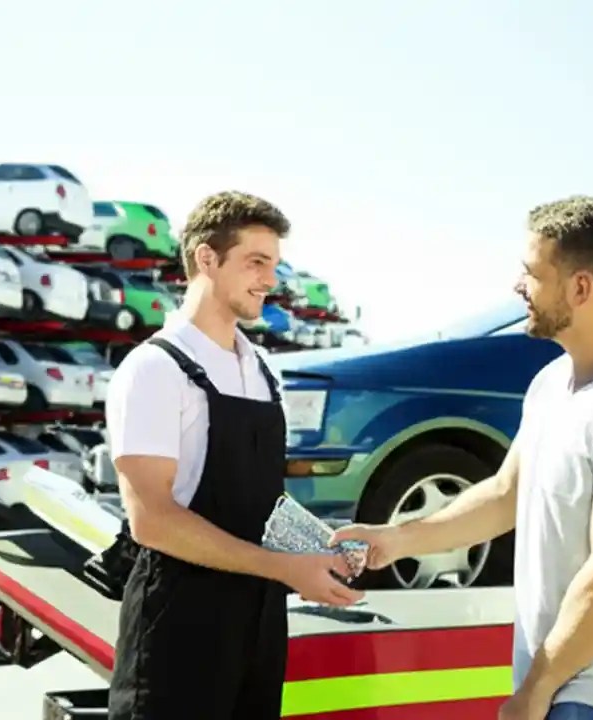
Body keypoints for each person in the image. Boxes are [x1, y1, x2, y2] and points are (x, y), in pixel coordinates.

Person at [332, 196, 593, 720]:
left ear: (580, 288)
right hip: (560, 686)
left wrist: (536, 689)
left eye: (531, 273)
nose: (518, 286)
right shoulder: (553, 382)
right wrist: (396, 540)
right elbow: (505, 495)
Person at [103, 190, 364, 720]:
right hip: (178, 628)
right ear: (207, 258)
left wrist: (324, 549)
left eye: (274, 264)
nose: (270, 280)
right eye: (256, 262)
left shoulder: (263, 370)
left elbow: (259, 500)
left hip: (259, 624)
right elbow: (152, 520)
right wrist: (286, 568)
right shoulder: (155, 370)